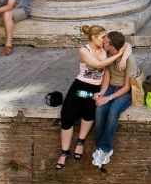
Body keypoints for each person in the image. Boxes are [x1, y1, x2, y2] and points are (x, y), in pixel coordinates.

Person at [55, 25, 131, 170]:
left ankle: (80, 142)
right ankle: (64, 152)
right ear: (94, 38)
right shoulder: (83, 50)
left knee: (89, 112)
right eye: (103, 37)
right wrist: (118, 55)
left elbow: (127, 44)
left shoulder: (104, 49)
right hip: (80, 87)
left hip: (96, 88)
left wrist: (124, 57)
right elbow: (99, 64)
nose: (105, 40)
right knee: (67, 116)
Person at [92, 31, 144, 168]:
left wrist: (109, 98)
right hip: (110, 87)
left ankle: (104, 148)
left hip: (125, 92)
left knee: (113, 111)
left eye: (106, 41)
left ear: (111, 45)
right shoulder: (108, 54)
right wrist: (101, 94)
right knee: (99, 110)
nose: (103, 42)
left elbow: (127, 87)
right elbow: (107, 77)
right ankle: (100, 149)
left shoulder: (130, 60)